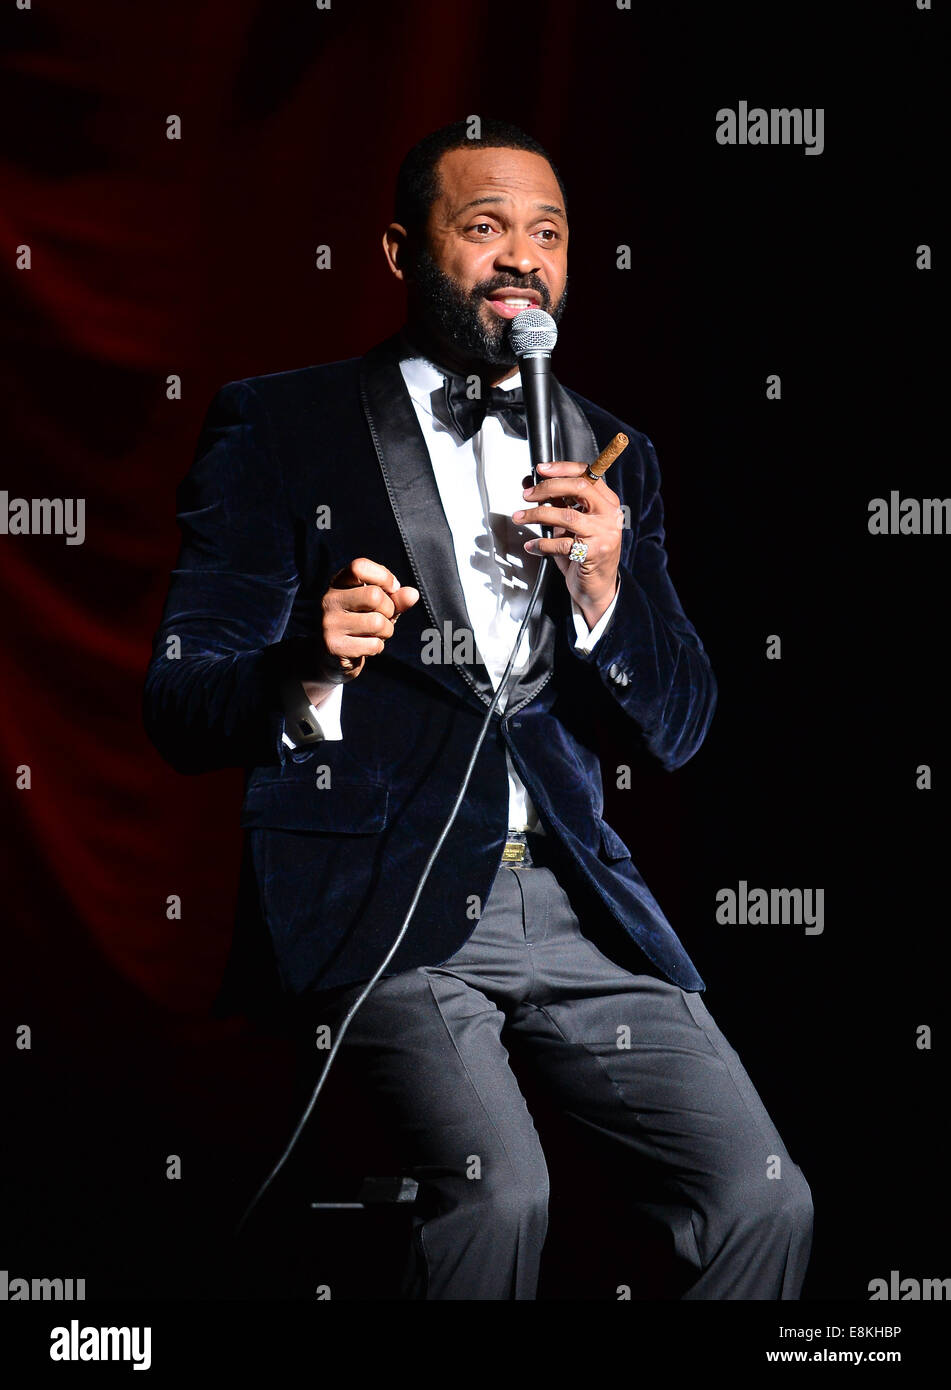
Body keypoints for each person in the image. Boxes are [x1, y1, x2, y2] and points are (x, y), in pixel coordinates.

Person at [143, 118, 813, 1300]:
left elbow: (684, 723)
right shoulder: (280, 425)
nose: (522, 258)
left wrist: (606, 586)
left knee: (760, 1192)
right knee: (498, 1188)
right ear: (404, 252)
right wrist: (310, 661)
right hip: (384, 897)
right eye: (486, 227)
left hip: (574, 896)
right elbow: (182, 702)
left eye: (547, 233)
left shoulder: (615, 453)